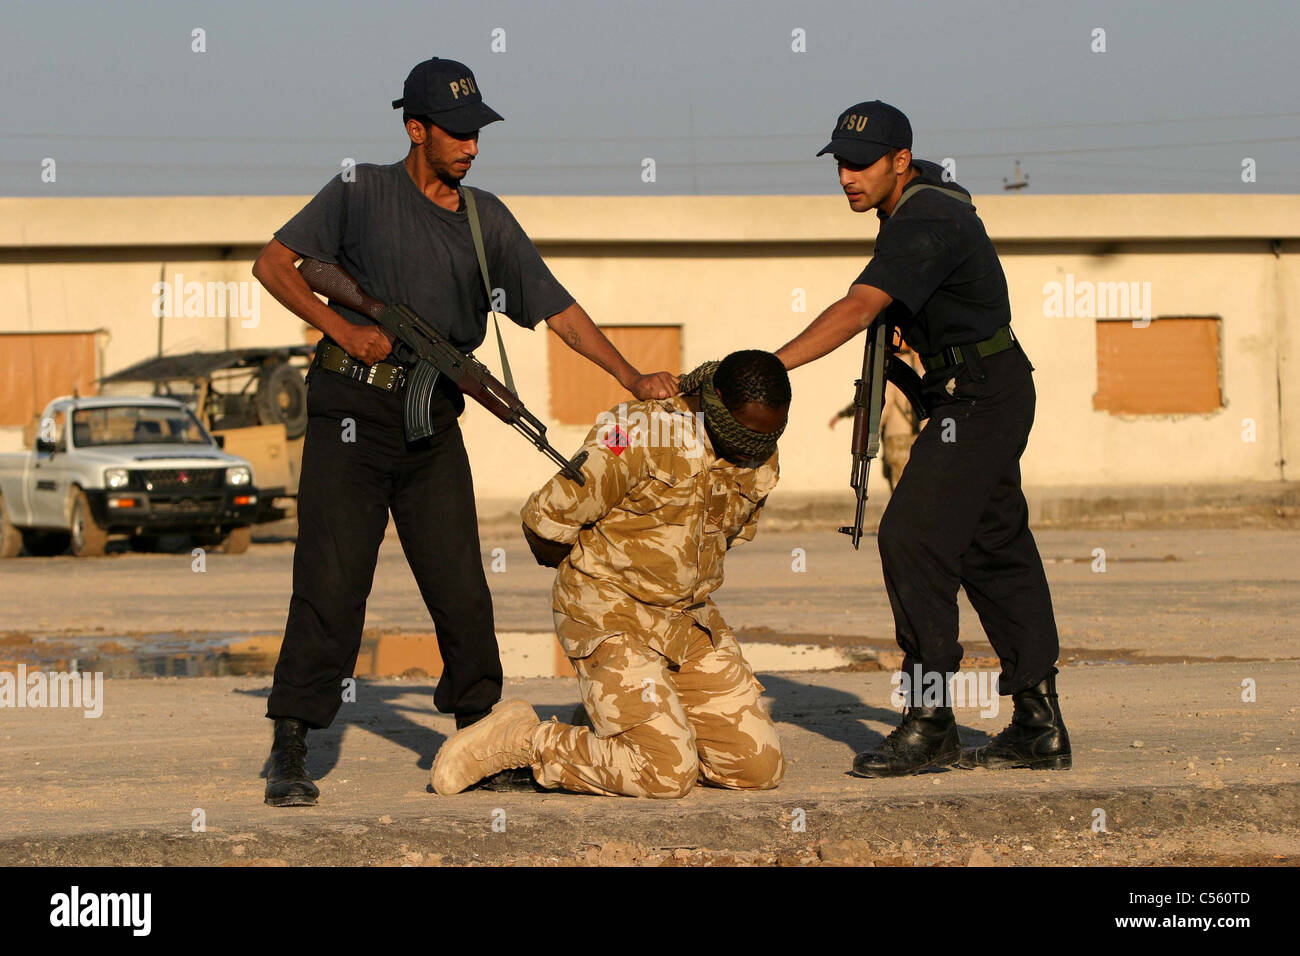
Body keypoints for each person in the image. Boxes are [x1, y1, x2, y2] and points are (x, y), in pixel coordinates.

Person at [251, 57, 677, 806]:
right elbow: (275, 264)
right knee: (330, 585)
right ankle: (293, 742)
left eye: (478, 133)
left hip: (431, 420)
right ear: (415, 129)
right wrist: (346, 334)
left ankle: (481, 731)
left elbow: (559, 311)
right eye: (457, 133)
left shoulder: (487, 222)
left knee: (462, 591)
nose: (472, 147)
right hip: (349, 412)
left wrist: (631, 377)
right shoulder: (360, 192)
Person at [775, 101, 1070, 778]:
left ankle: (931, 717)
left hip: (981, 395)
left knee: (910, 535)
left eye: (861, 163)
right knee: (995, 548)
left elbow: (859, 307)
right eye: (840, 164)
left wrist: (769, 365)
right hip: (973, 390)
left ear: (899, 161)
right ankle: (1039, 723)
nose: (847, 176)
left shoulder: (929, 215)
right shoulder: (914, 208)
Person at [429, 351, 790, 798]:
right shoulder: (637, 432)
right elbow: (545, 521)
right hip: (610, 614)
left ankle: (623, 731)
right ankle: (521, 739)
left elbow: (721, 541)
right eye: (743, 433)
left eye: (766, 436)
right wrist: (598, 572)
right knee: (666, 775)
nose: (752, 448)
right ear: (714, 400)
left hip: (686, 621)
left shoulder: (755, 451)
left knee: (758, 767)